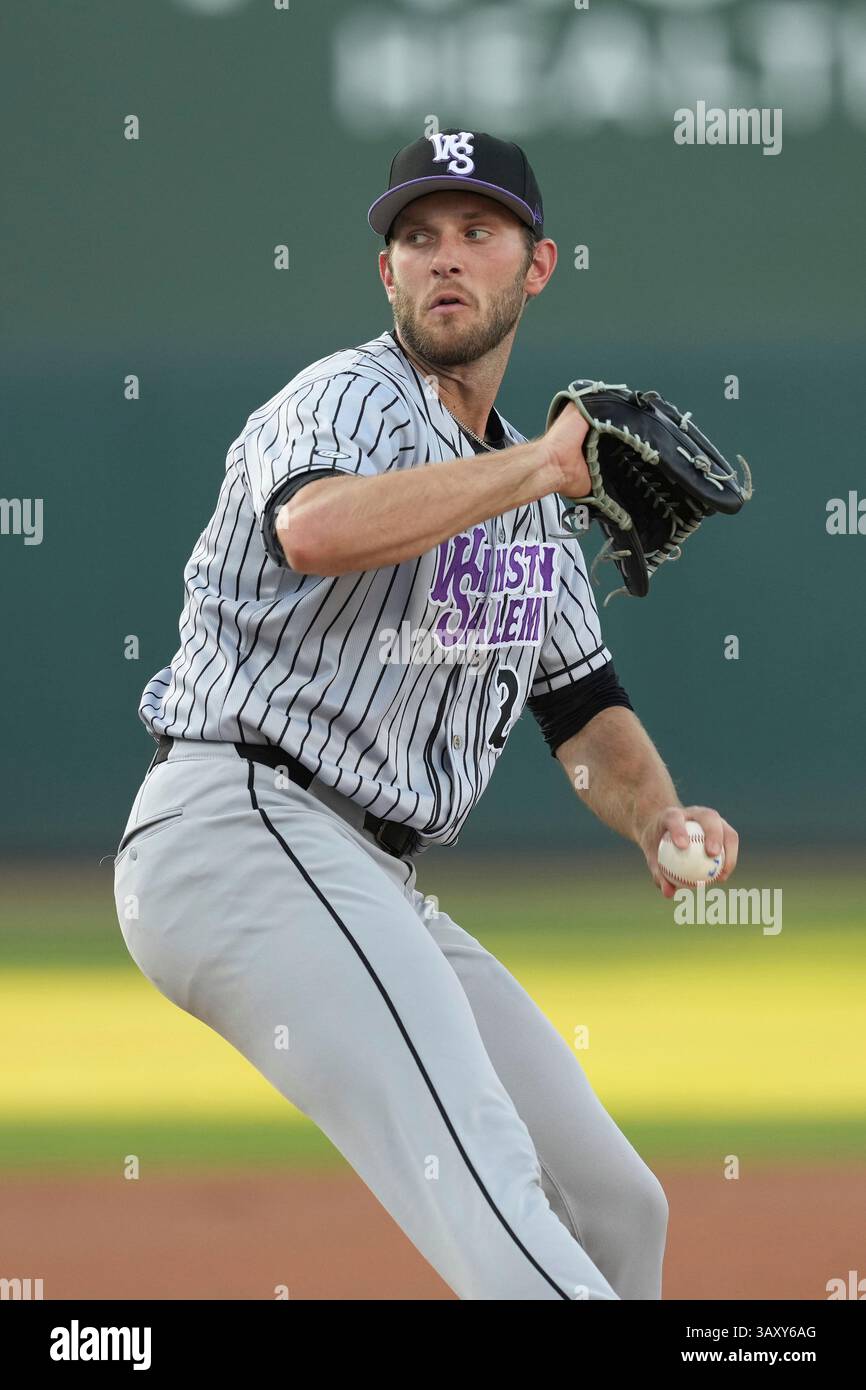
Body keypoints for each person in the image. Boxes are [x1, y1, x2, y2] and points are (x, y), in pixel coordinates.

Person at [113, 127, 738, 1300]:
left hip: (364, 870)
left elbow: (582, 707)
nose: (443, 257)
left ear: (534, 266)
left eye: (476, 232)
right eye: (416, 236)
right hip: (238, 827)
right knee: (486, 1180)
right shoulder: (348, 399)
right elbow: (318, 528)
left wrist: (656, 818)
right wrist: (544, 470)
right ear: (384, 272)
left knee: (613, 1207)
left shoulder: (525, 483)